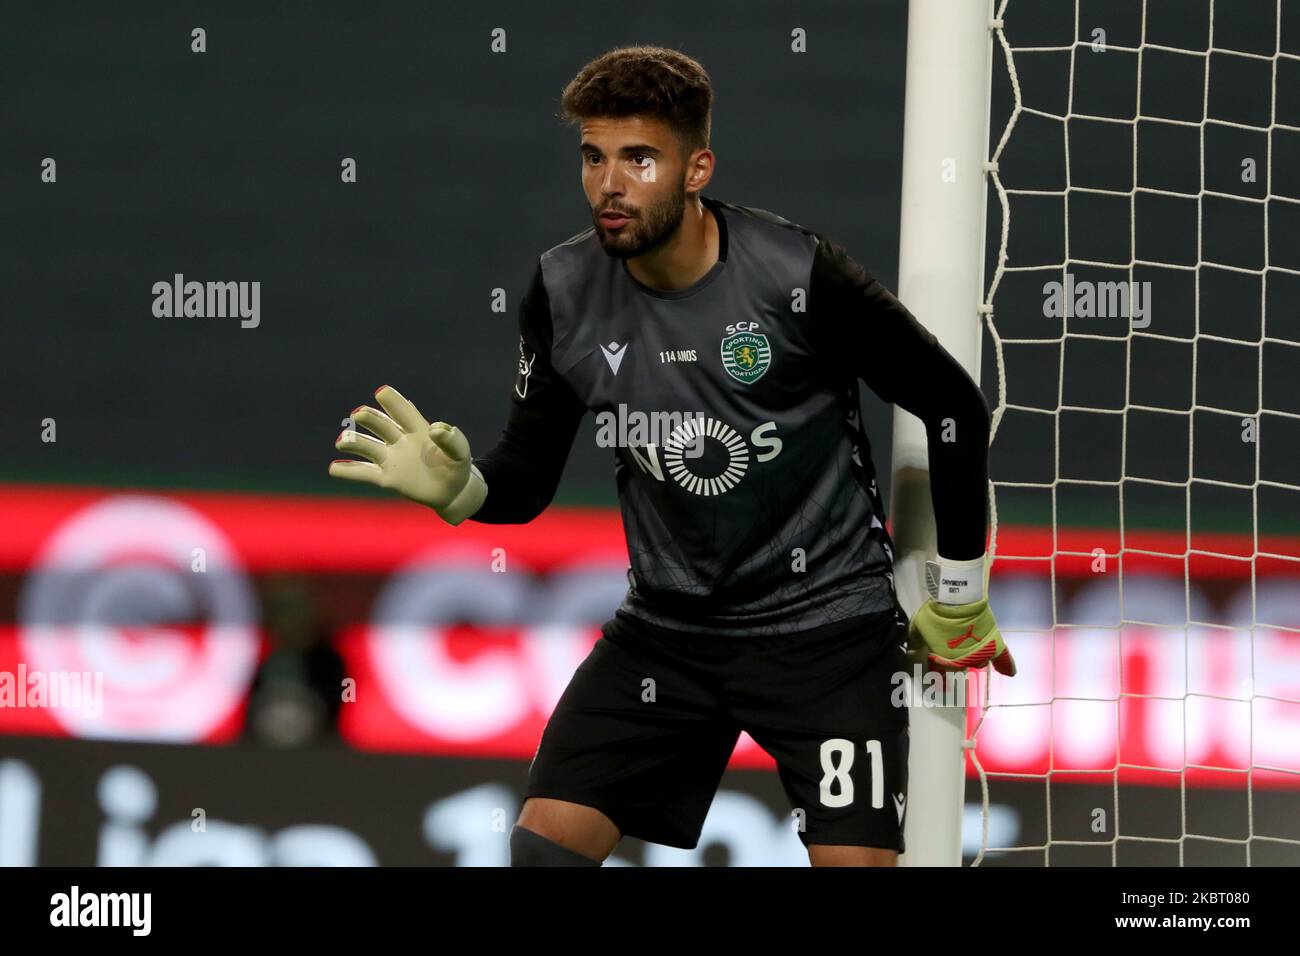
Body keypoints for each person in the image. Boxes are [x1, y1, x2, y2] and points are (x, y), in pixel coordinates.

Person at [329, 45, 1015, 867]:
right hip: (668, 631)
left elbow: (950, 406)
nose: (608, 185)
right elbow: (525, 480)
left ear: (697, 169)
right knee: (544, 850)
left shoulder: (798, 275)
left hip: (825, 634)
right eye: (593, 158)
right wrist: (462, 488)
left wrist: (961, 588)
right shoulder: (564, 291)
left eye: (638, 159)